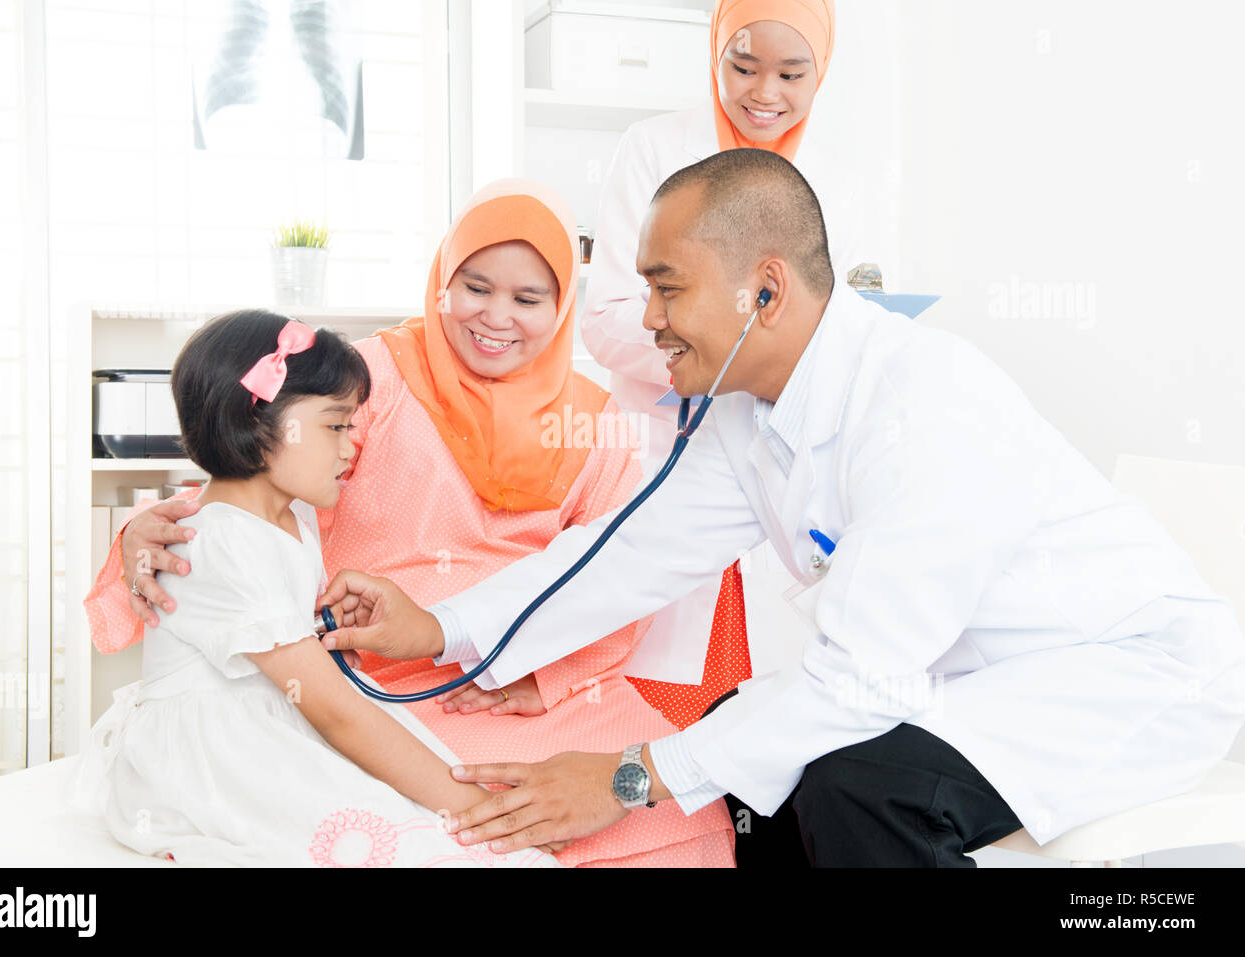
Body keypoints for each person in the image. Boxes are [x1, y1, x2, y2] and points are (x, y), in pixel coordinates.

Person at [316, 149, 1245, 867]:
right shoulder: (747, 416)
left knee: (858, 791)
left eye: (665, 285)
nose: (645, 319)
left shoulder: (927, 403)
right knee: (752, 780)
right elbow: (622, 556)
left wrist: (629, 775)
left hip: (1119, 677)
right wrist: (439, 626)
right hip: (961, 677)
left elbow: (859, 677)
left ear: (764, 288)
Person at [86, 181, 736, 867]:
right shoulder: (374, 377)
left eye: (527, 298)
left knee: (674, 803)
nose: (496, 317)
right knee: (487, 817)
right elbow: (259, 478)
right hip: (381, 673)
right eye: (476, 287)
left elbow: (617, 573)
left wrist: (538, 682)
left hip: (534, 675)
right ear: (443, 282)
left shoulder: (596, 420)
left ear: (563, 304)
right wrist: (144, 532)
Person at [73, 309, 559, 867]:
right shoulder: (219, 539)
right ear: (256, 424)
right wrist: (479, 811)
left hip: (276, 721)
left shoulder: (290, 518)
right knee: (428, 844)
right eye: (335, 426)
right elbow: (337, 713)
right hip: (215, 761)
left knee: (423, 824)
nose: (351, 446)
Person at [581, 0, 864, 727]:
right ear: (713, 54)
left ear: (821, 72)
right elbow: (608, 321)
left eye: (791, 72)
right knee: (658, 704)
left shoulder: (837, 172)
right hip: (665, 456)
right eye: (743, 66)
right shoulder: (652, 149)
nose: (764, 92)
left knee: (780, 709)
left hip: (783, 457)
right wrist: (728, 348)